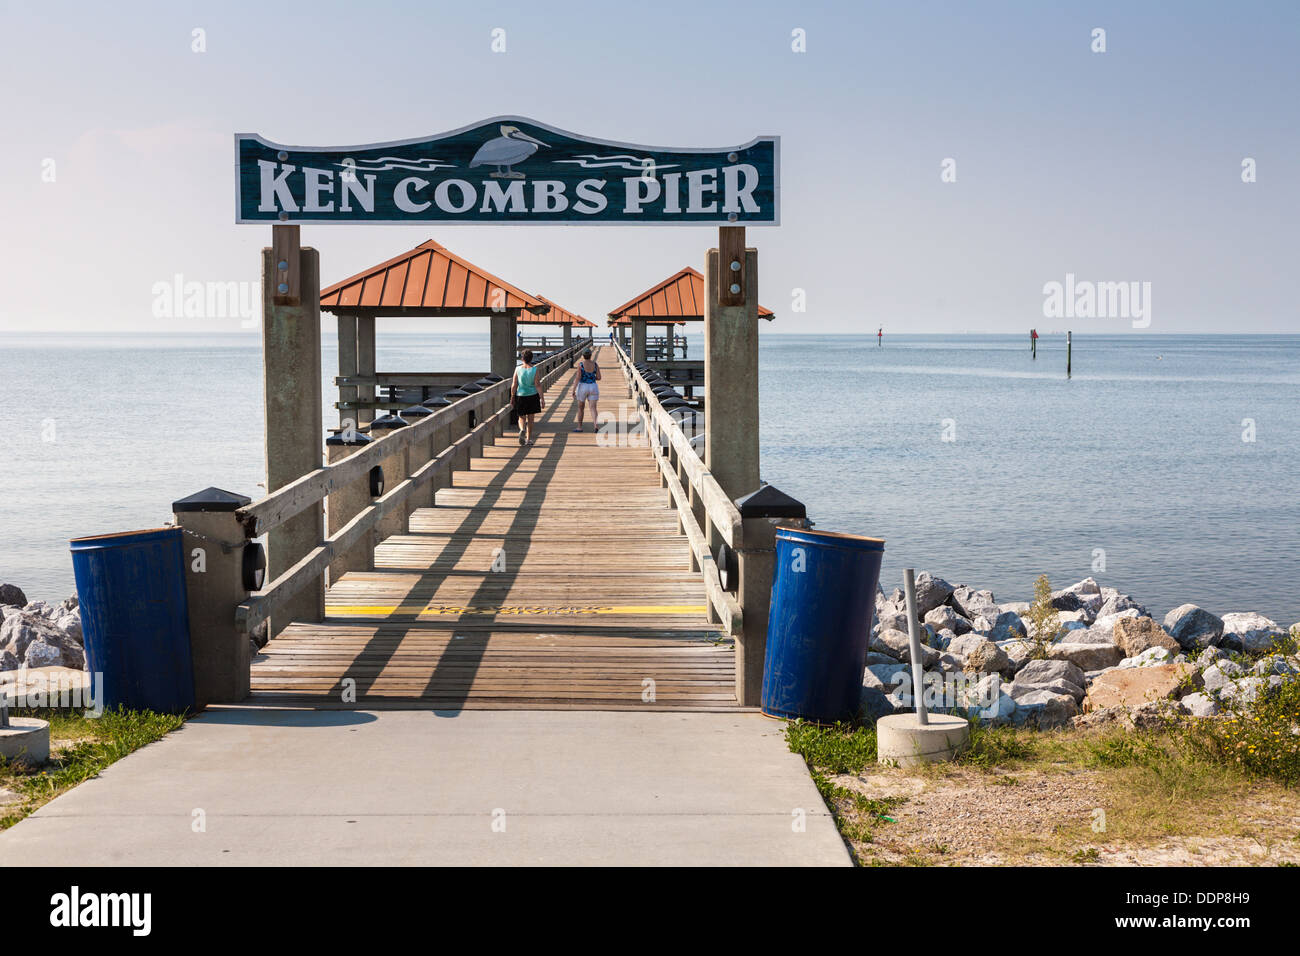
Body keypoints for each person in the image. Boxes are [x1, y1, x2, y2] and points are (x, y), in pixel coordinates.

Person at [511, 349, 544, 446]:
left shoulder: (517, 369)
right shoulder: (534, 369)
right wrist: (542, 398)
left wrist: (512, 396)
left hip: (521, 395)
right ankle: (528, 439)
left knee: (521, 417)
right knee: (531, 419)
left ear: (522, 358)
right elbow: (538, 385)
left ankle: (522, 429)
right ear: (531, 358)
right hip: (532, 395)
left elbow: (514, 384)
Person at [572, 347, 601, 432]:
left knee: (581, 408)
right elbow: (599, 377)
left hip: (583, 387)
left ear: (583, 355)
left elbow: (578, 378)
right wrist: (592, 377)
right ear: (591, 355)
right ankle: (596, 426)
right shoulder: (595, 365)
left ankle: (579, 427)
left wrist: (573, 390)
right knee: (593, 408)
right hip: (593, 386)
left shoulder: (581, 365)